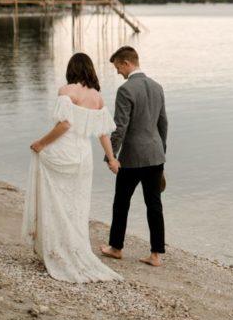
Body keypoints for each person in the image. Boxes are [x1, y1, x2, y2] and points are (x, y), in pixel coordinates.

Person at [21, 52, 122, 283]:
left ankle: (56, 247)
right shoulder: (97, 98)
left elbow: (65, 124)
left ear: (71, 69)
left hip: (63, 152)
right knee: (77, 204)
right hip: (83, 157)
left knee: (55, 199)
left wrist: (40, 143)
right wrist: (112, 159)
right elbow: (103, 134)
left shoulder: (67, 91)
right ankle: (74, 247)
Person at [100, 45, 168, 267]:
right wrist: (162, 154)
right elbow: (163, 124)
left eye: (118, 66)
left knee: (121, 202)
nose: (118, 71)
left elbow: (120, 126)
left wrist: (111, 156)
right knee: (154, 205)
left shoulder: (126, 90)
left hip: (132, 157)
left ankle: (116, 247)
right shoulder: (157, 87)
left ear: (126, 63)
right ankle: (156, 254)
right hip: (155, 155)